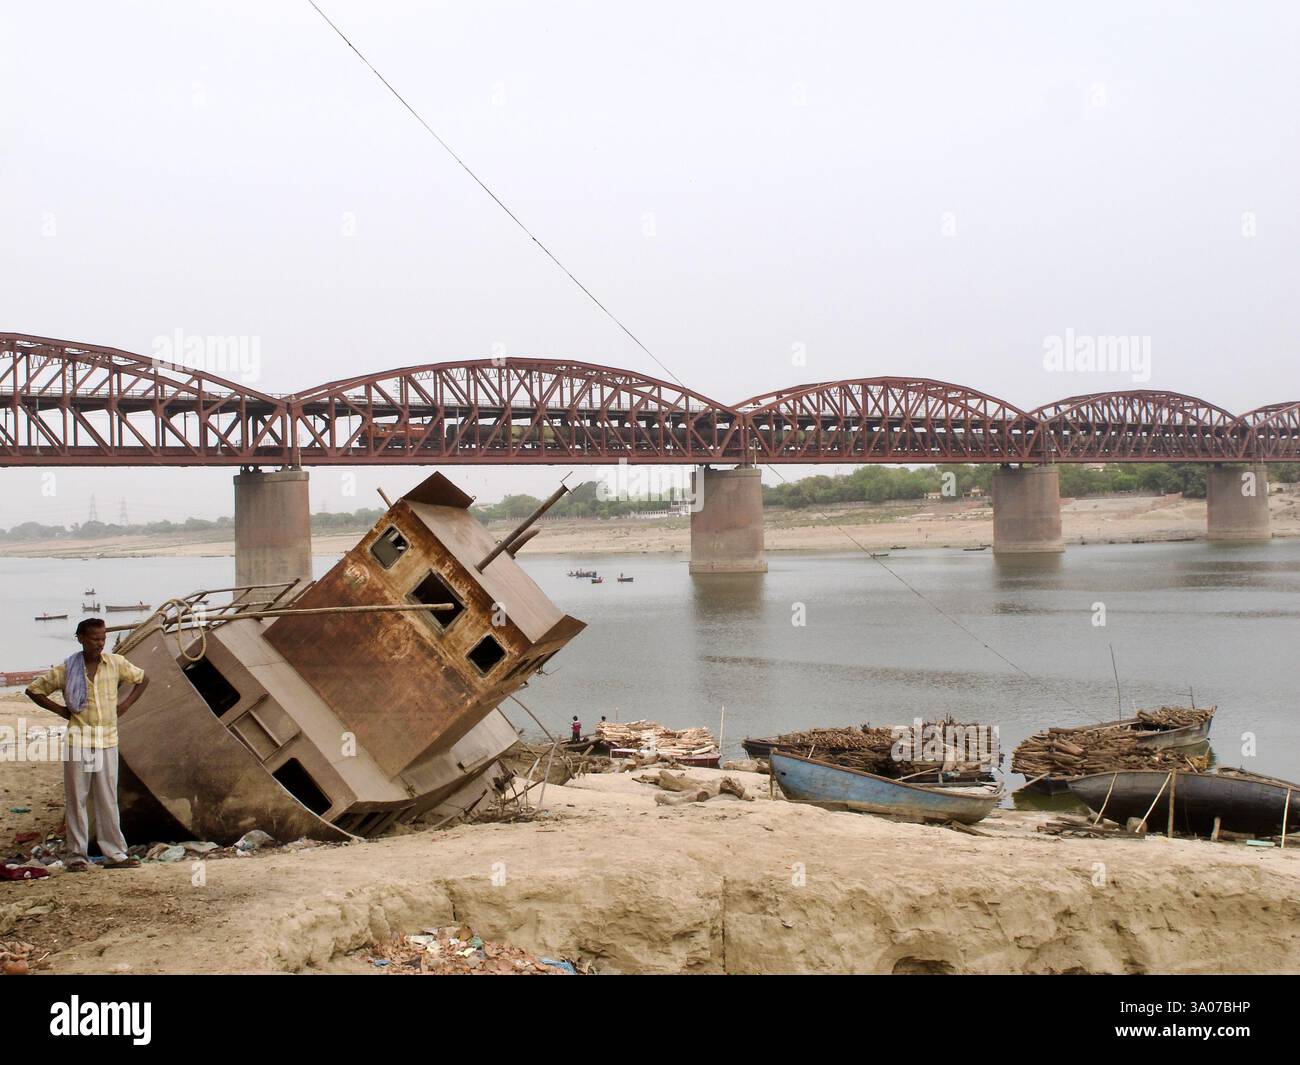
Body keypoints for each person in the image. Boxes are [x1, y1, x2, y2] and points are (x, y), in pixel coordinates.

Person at [25, 618, 150, 871]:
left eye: (103, 638)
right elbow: (34, 690)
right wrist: (61, 711)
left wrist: (125, 705)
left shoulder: (115, 663)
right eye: (95, 638)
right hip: (79, 741)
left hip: (106, 741)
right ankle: (76, 857)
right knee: (77, 799)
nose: (100, 643)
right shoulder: (68, 668)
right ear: (81, 638)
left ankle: (115, 854)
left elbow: (142, 679)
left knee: (107, 798)